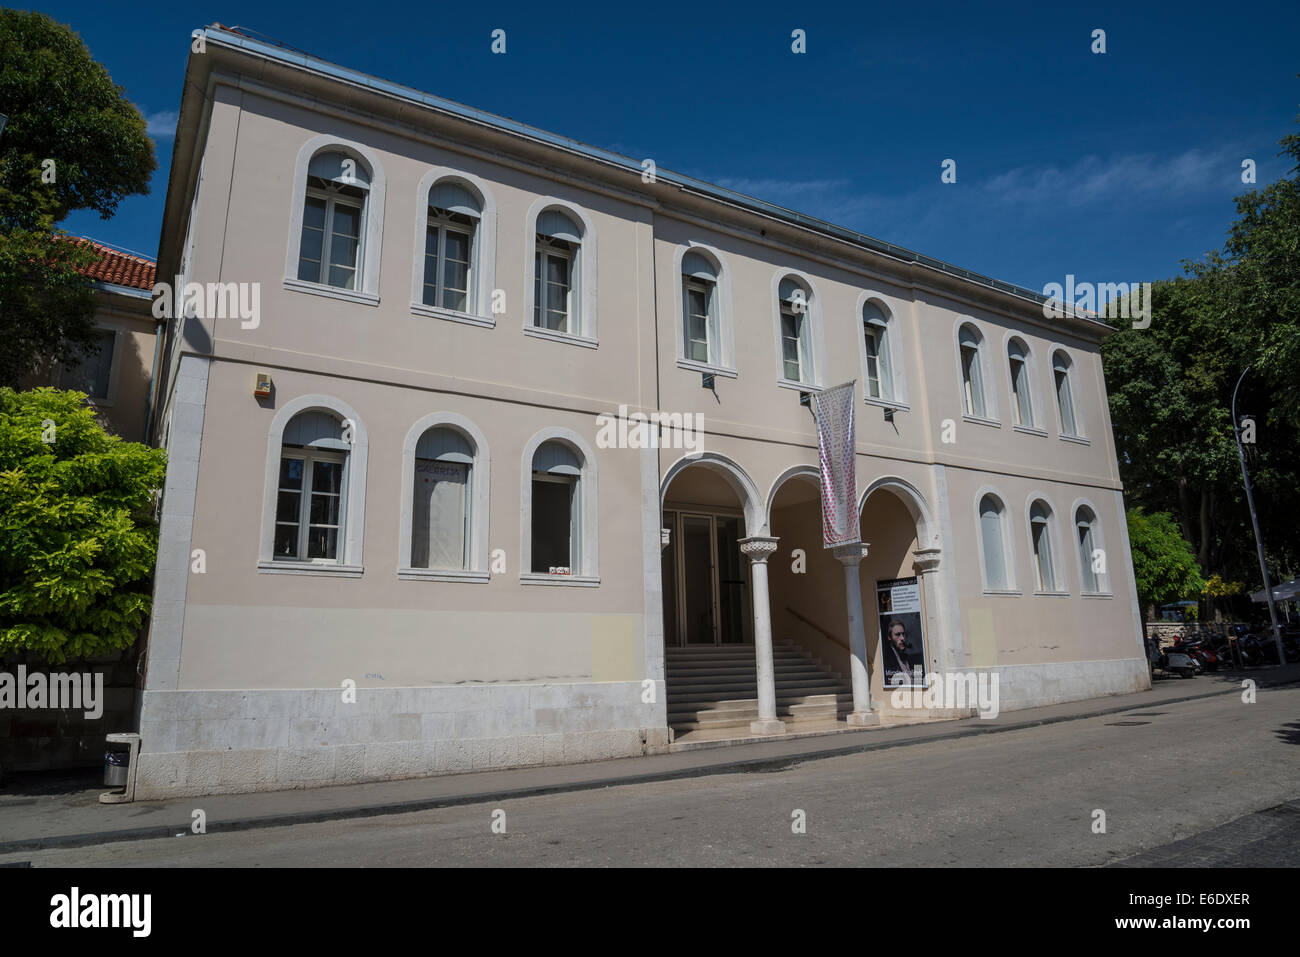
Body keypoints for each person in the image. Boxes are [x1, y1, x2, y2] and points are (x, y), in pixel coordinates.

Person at [882, 619, 918, 686]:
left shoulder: (908, 657)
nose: (902, 638)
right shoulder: (886, 659)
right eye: (897, 635)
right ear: (889, 637)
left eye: (903, 634)